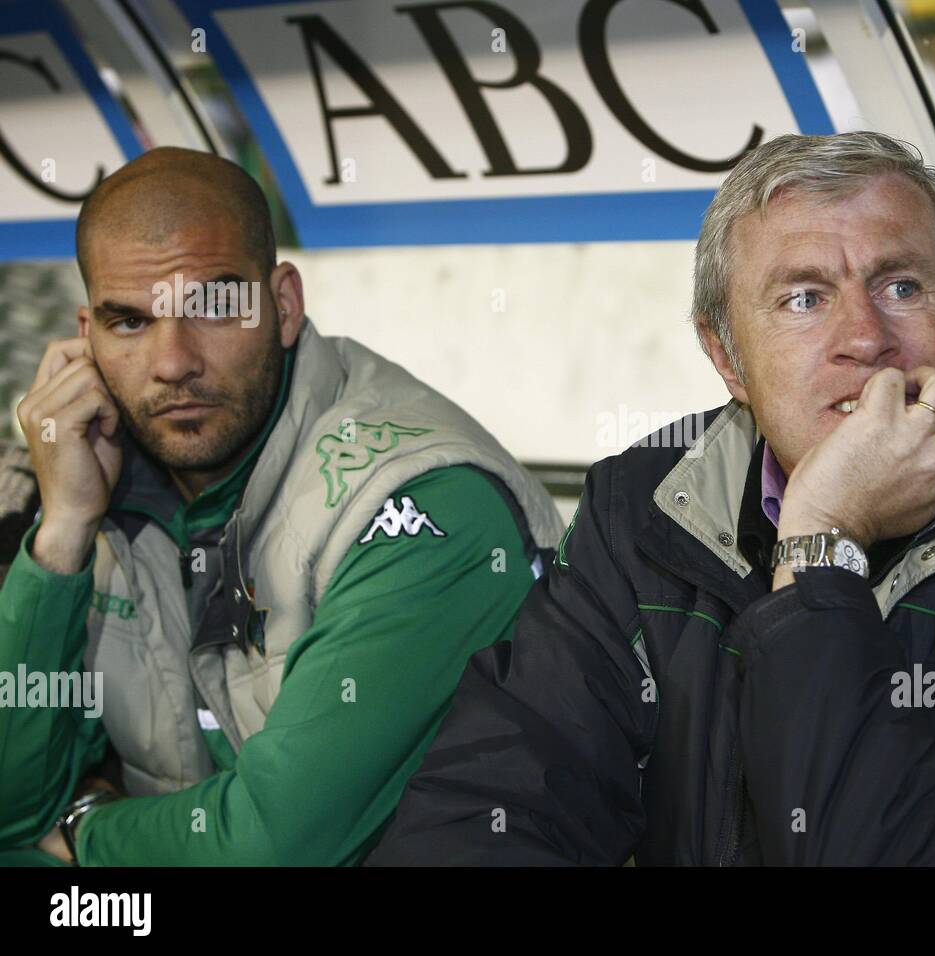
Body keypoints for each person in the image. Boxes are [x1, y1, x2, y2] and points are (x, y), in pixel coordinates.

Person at [368, 131, 935, 866]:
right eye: (804, 298)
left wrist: (823, 539)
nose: (864, 337)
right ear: (727, 358)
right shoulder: (649, 505)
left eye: (902, 286)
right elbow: (491, 803)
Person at [0, 147, 562, 865]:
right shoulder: (105, 481)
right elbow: (10, 805)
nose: (173, 362)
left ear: (285, 306)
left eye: (214, 305)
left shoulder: (420, 503)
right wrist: (63, 533)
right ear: (87, 340)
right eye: (131, 323)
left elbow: (276, 846)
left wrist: (85, 834)